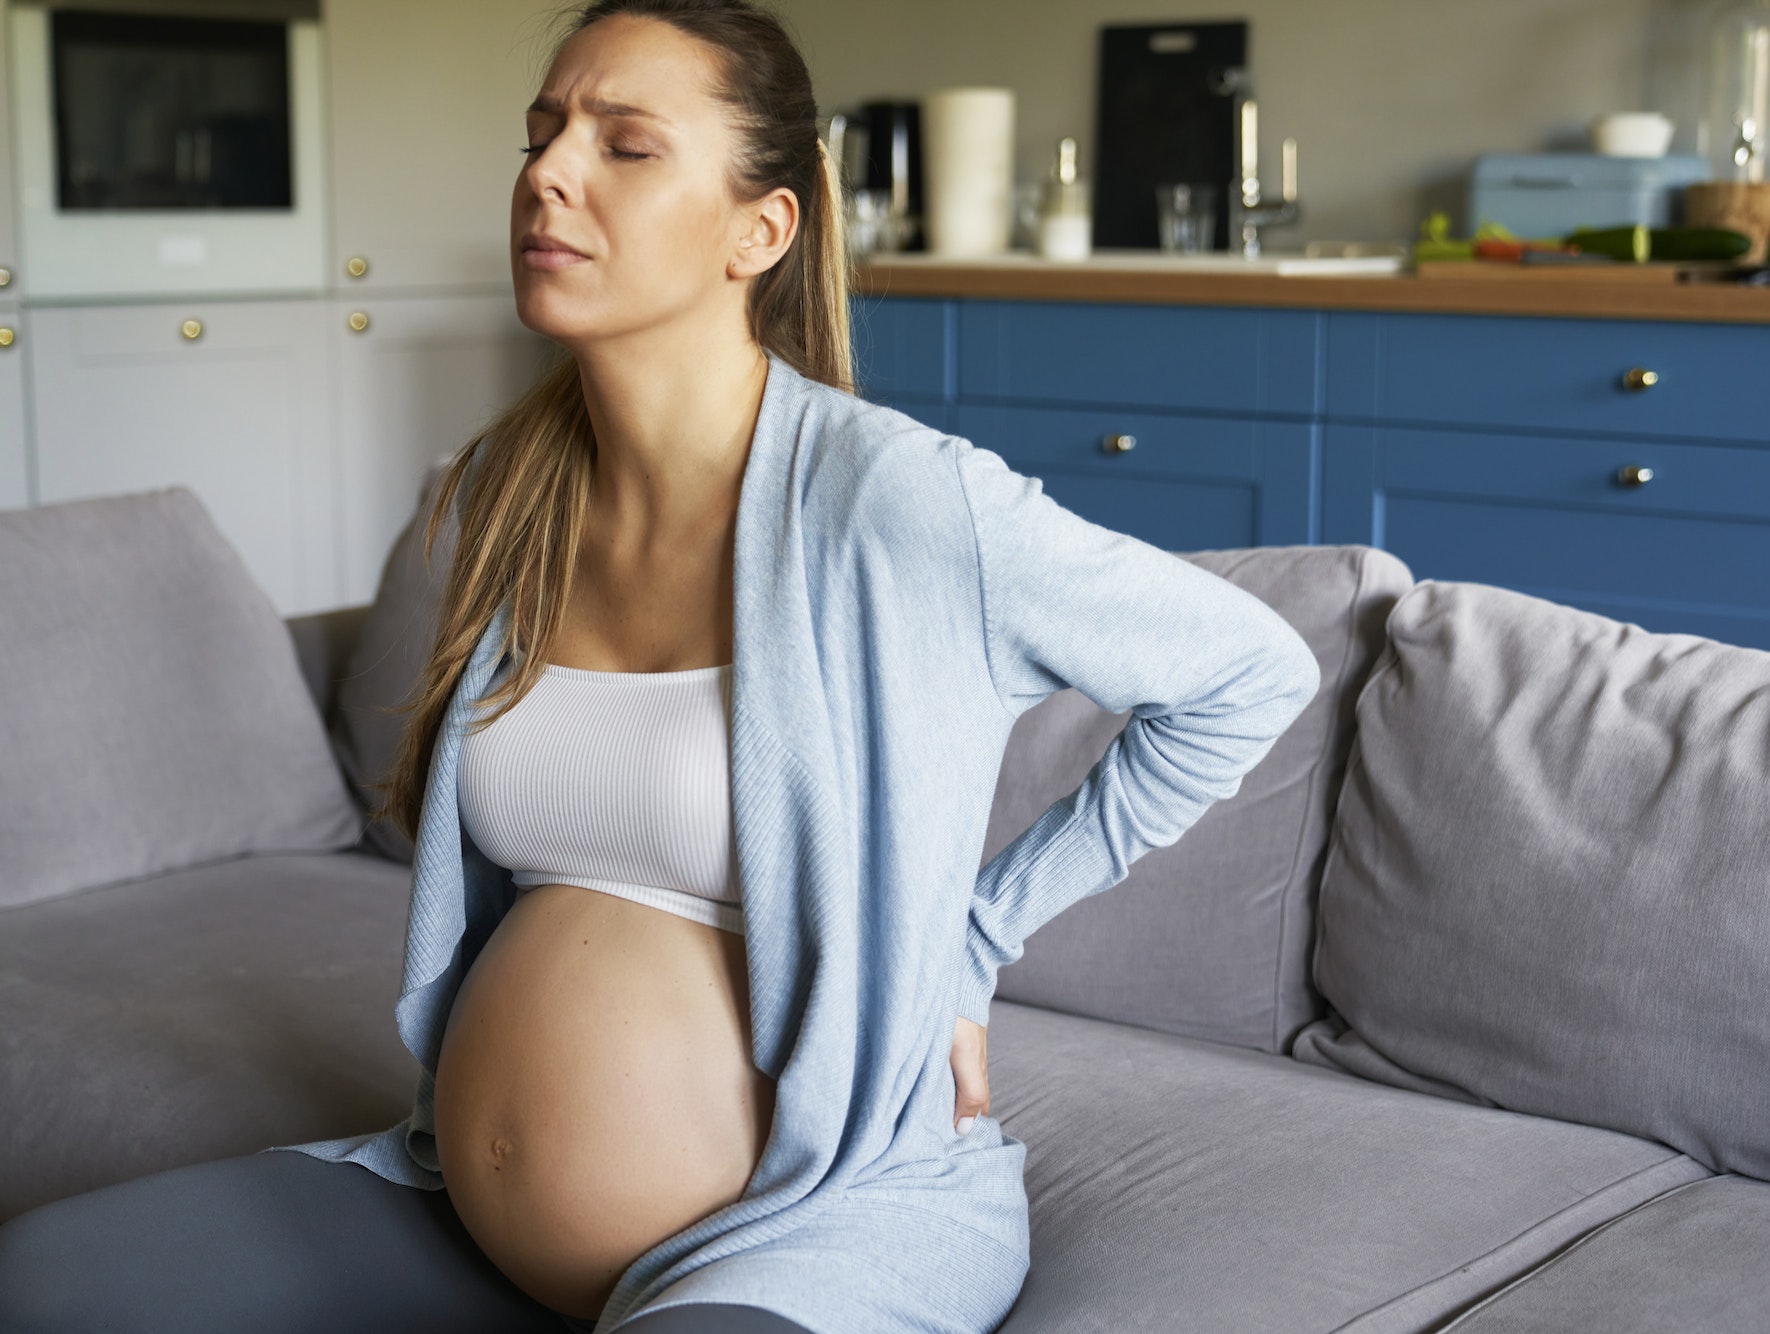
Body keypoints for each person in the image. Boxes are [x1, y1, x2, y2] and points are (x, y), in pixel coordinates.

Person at [0, 1, 1320, 1330]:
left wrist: (970, 942)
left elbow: (1250, 674)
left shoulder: (899, 501)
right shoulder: (511, 492)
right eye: (542, 134)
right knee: (50, 1280)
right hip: (464, 1206)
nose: (549, 174)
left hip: (809, 1231)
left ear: (763, 230)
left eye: (625, 146)